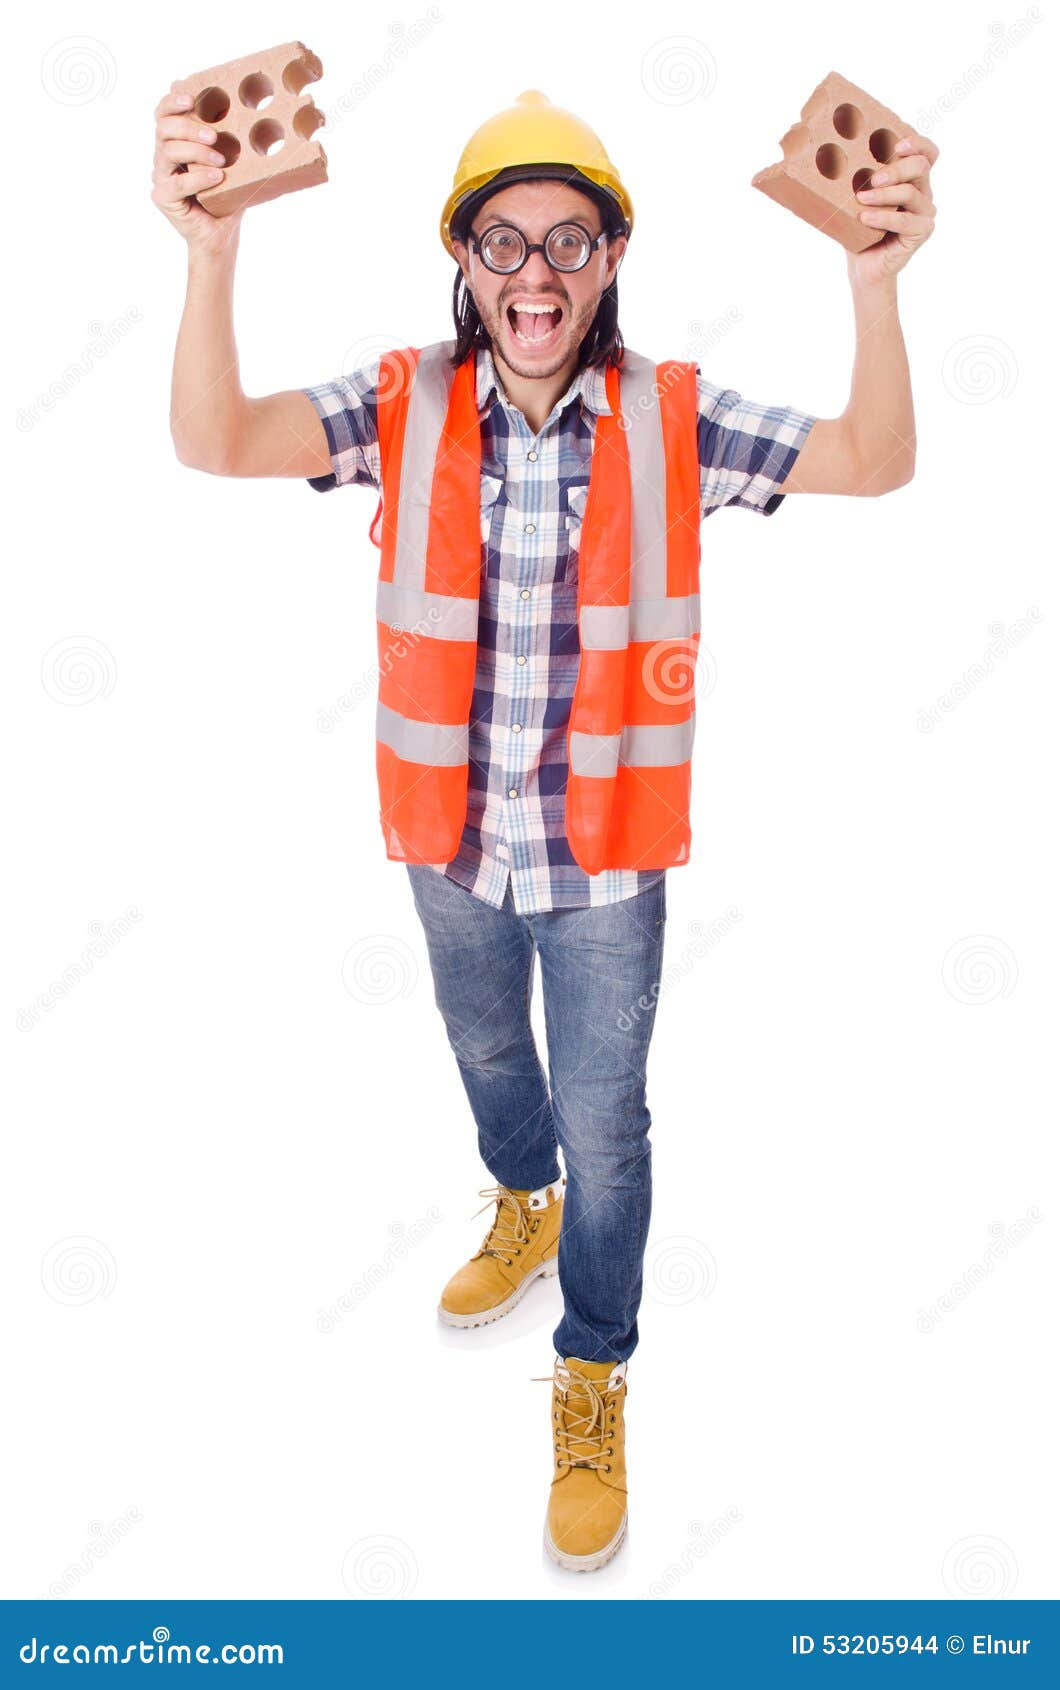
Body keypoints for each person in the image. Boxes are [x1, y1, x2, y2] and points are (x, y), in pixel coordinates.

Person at [154, 83, 938, 1573]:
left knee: (609, 1126)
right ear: (464, 264)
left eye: (567, 242)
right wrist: (208, 255)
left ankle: (591, 1362)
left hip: (605, 866)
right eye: (502, 242)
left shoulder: (674, 416)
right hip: (445, 837)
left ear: (609, 261)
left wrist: (873, 283)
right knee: (490, 1062)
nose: (534, 272)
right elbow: (215, 438)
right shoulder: (403, 404)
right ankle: (518, 1200)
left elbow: (871, 460)